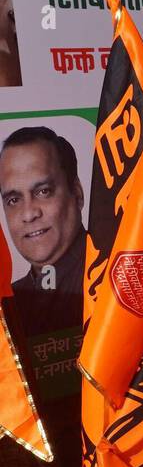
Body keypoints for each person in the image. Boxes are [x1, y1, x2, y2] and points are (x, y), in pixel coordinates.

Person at [1, 127, 85, 341]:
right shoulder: (9, 305)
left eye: (43, 192)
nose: (29, 214)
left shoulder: (119, 282)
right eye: (13, 200)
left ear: (77, 193)